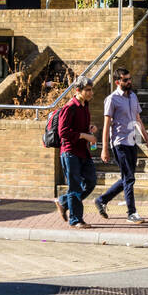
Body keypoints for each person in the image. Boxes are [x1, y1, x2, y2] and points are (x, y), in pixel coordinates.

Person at [95, 67, 148, 224]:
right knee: (129, 178)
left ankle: (102, 200)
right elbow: (106, 125)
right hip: (119, 143)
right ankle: (131, 213)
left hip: (132, 141)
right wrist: (104, 149)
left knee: (127, 178)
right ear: (117, 81)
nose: (129, 82)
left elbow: (138, 120)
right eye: (125, 80)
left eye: (130, 79)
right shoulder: (112, 99)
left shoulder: (133, 97)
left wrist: (147, 141)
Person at [54, 78, 98, 229]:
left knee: (91, 181)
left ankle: (64, 202)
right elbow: (63, 132)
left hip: (83, 152)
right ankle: (75, 220)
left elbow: (78, 127)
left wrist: (89, 129)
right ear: (77, 90)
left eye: (91, 89)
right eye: (87, 90)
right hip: (70, 152)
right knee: (75, 187)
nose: (91, 93)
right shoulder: (70, 107)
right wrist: (85, 136)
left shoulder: (85, 105)